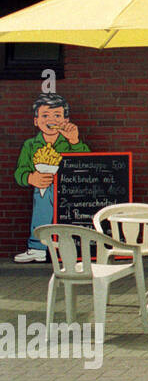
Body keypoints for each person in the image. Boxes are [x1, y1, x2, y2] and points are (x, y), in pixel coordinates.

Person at [13, 92, 90, 263]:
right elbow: (20, 172)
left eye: (57, 115)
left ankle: (67, 247)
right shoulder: (30, 145)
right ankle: (38, 248)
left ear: (66, 120)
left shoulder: (70, 142)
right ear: (36, 120)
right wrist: (30, 178)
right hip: (42, 189)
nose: (51, 120)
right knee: (42, 193)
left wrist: (75, 142)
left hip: (70, 191)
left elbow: (87, 164)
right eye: (45, 115)